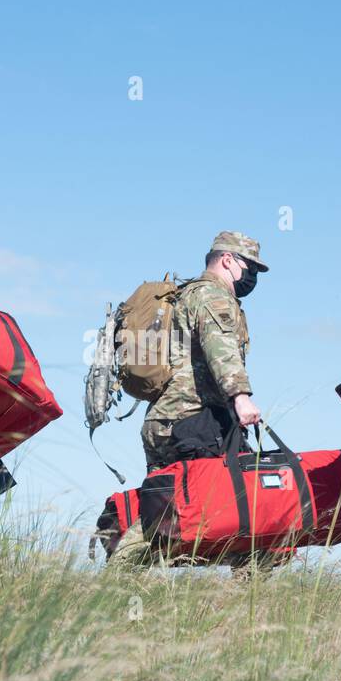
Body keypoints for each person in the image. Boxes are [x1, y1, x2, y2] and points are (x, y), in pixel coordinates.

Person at [110, 231, 268, 564]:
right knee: (245, 503)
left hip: (164, 422)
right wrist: (241, 397)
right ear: (227, 260)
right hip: (194, 423)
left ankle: (116, 591)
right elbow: (220, 348)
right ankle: (254, 597)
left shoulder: (184, 296)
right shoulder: (213, 297)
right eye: (250, 267)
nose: (252, 277)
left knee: (168, 518)